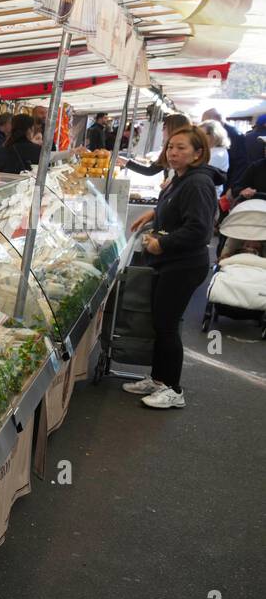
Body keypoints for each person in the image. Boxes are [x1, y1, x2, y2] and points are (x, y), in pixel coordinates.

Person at [123, 127, 220, 410]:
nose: (173, 153)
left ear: (198, 153)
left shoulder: (198, 183)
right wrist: (154, 213)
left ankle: (174, 390)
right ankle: (158, 379)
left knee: (167, 326)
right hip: (171, 263)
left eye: (181, 148)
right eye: (170, 148)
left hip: (184, 265)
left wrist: (161, 245)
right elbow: (178, 207)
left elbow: (200, 230)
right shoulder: (182, 178)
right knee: (160, 323)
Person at [122, 112, 190, 178]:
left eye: (164, 127)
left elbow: (150, 171)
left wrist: (172, 183)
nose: (162, 131)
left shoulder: (181, 152)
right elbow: (150, 170)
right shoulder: (169, 149)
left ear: (172, 129)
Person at [202, 108, 247, 185]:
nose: (203, 124)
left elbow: (240, 163)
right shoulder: (226, 131)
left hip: (227, 181)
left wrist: (233, 186)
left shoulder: (234, 134)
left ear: (215, 121)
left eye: (205, 122)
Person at [198, 119, 231, 196]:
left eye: (201, 135)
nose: (198, 138)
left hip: (206, 195)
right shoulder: (212, 150)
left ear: (214, 135)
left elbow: (200, 174)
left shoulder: (217, 155)